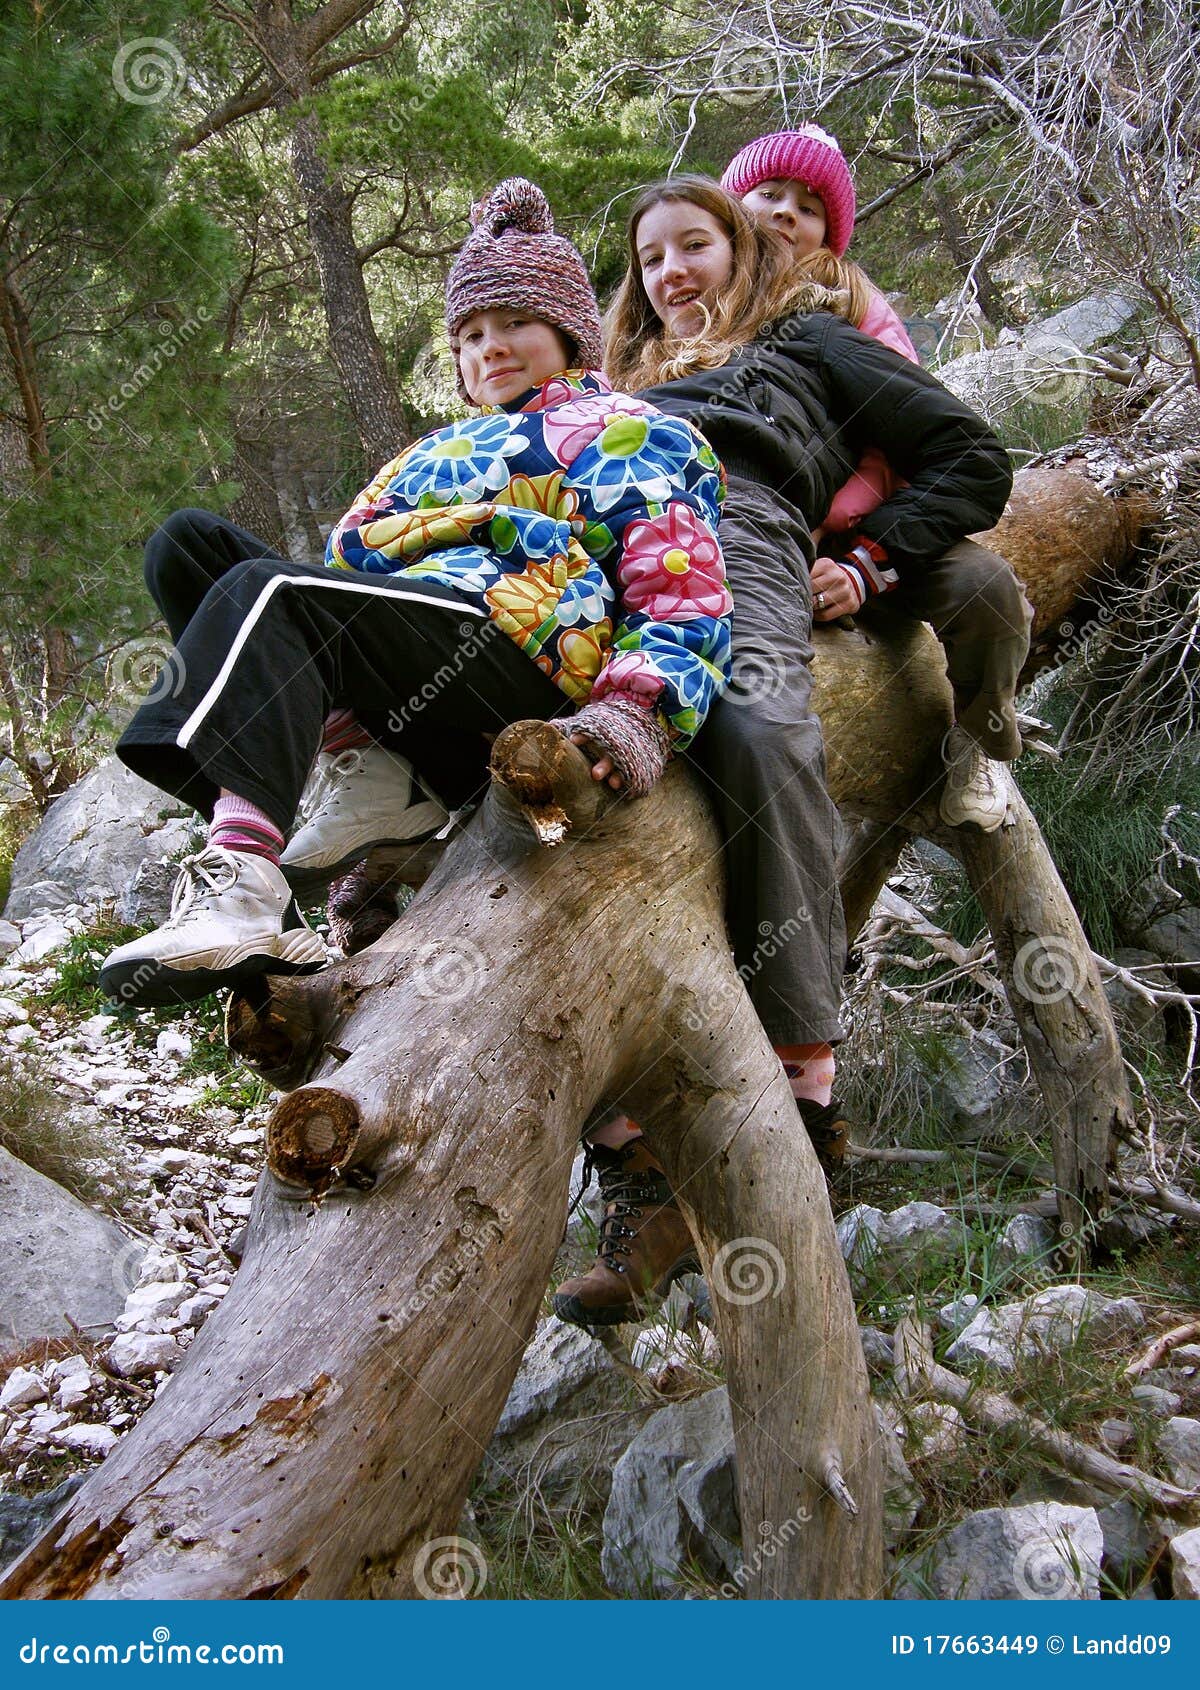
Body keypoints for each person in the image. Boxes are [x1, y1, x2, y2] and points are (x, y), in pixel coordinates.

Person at [552, 175, 1029, 1329]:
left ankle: (805, 1106)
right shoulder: (610, 388)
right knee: (563, 790)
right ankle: (633, 1171)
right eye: (650, 258)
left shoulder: (806, 340)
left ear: (745, 255)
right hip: (592, 552)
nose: (672, 272)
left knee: (762, 736)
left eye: (696, 245)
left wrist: (869, 561)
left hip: (738, 523)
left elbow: (971, 453)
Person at [99, 179, 732, 1008]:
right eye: (470, 334)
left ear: (571, 335)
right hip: (412, 663)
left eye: (515, 324)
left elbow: (678, 576)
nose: (490, 348)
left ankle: (246, 886)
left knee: (273, 593)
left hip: (522, 653)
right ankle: (369, 771)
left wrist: (634, 710)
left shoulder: (623, 428)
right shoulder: (428, 451)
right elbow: (352, 566)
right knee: (187, 546)